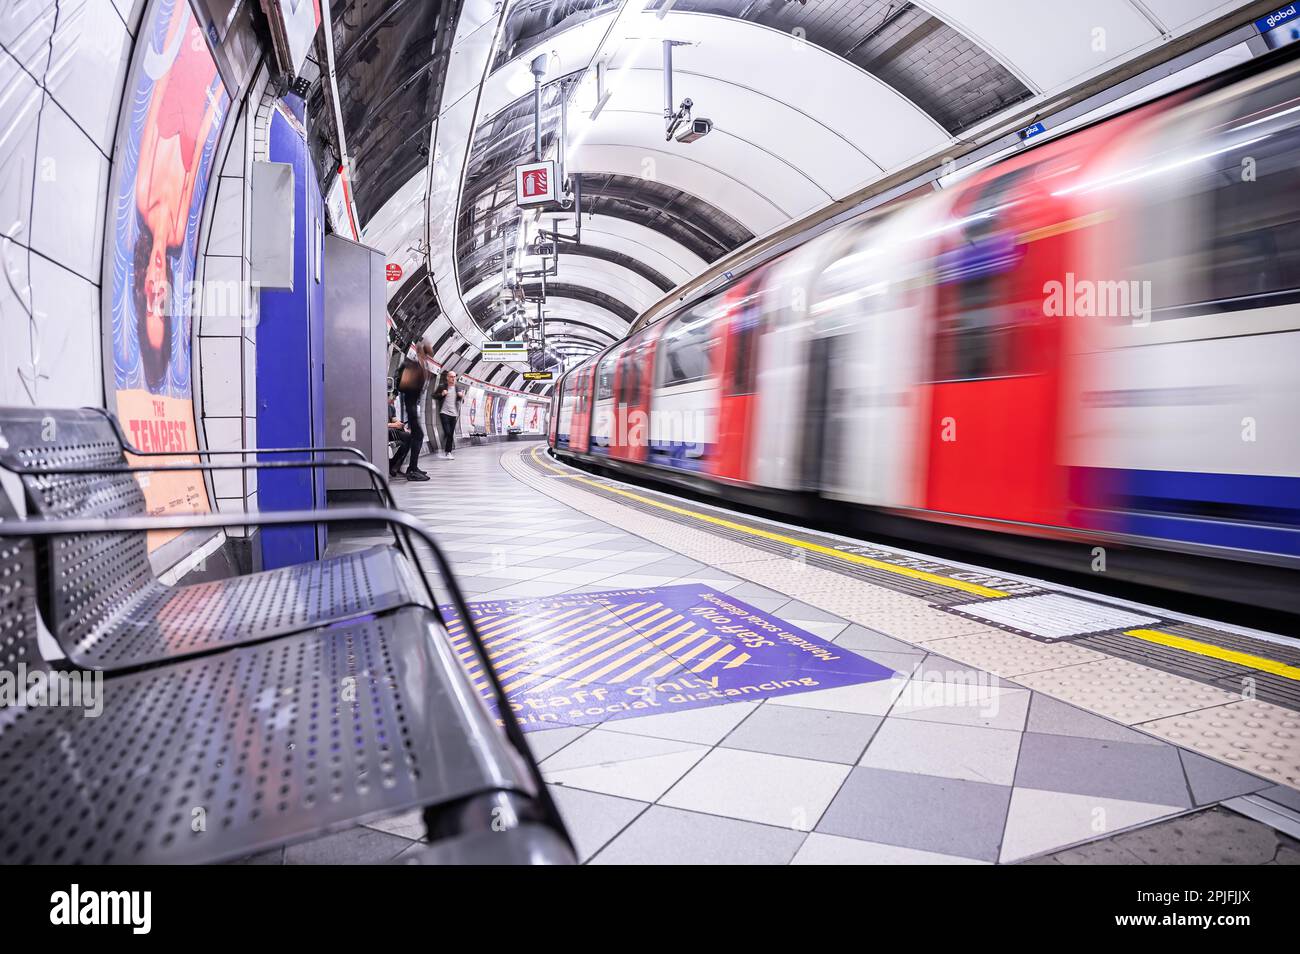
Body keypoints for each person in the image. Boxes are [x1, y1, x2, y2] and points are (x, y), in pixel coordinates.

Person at [389, 343, 432, 481]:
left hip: (413, 405)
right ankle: (412, 469)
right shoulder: (412, 366)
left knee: (417, 436)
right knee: (418, 436)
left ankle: (412, 467)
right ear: (422, 353)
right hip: (410, 405)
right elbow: (403, 384)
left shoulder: (420, 366)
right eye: (427, 354)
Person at [433, 369, 462, 460]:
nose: (453, 378)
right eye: (451, 377)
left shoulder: (457, 387)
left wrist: (461, 396)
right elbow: (434, 396)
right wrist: (441, 394)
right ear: (447, 378)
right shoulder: (442, 386)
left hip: (454, 414)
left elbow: (460, 400)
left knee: (450, 433)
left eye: (454, 377)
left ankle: (448, 452)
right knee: (448, 432)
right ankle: (444, 449)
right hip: (444, 412)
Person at [386, 396, 411, 478]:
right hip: (384, 431)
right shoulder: (378, 406)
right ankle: (394, 465)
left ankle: (395, 465)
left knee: (408, 438)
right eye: (392, 398)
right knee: (407, 437)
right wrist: (394, 425)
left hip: (392, 430)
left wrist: (402, 426)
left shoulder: (391, 407)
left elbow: (394, 419)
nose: (394, 400)